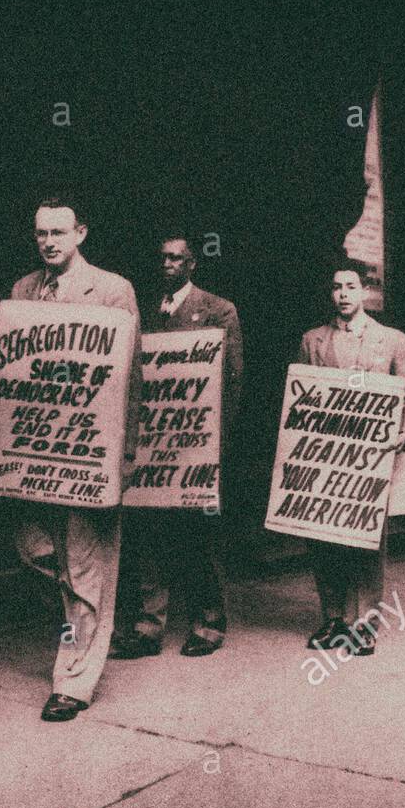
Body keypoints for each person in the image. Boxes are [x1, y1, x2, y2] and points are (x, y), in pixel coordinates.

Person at [5, 195, 142, 720]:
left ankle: (73, 680)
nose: (48, 242)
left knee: (86, 567)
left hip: (90, 455)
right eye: (41, 233)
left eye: (58, 232)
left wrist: (125, 453)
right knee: (39, 554)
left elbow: (130, 376)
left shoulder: (111, 290)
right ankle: (88, 632)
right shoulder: (22, 290)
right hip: (35, 454)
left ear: (80, 233)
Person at [111, 233, 243, 659]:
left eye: (176, 258)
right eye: (162, 257)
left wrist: (214, 446)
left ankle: (209, 621)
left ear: (192, 264)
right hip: (151, 443)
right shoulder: (143, 310)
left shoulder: (218, 310)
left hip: (195, 447)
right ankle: (149, 627)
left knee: (197, 537)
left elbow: (232, 382)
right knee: (147, 535)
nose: (167, 264)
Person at [296, 258, 405, 654]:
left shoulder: (392, 339)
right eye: (336, 287)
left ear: (364, 291)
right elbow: (300, 397)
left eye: (350, 286)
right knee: (325, 536)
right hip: (326, 456)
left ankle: (365, 624)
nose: (343, 294)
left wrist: (404, 432)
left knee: (367, 539)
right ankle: (334, 618)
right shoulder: (312, 340)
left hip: (371, 457)